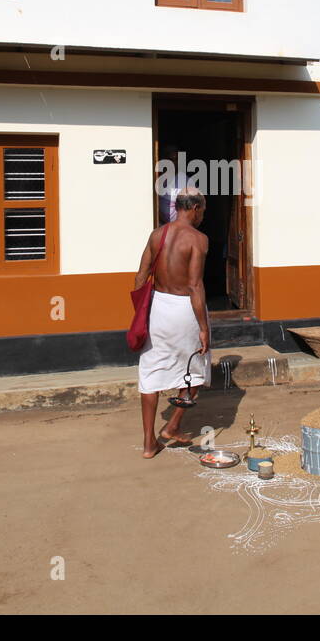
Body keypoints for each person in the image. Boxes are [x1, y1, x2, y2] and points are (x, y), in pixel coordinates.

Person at [132, 190, 211, 459]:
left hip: (157, 306)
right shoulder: (198, 239)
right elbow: (194, 285)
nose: (203, 215)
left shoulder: (157, 234)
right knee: (195, 368)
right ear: (195, 208)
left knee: (151, 373)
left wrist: (141, 313)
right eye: (203, 210)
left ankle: (148, 444)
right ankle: (173, 425)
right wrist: (203, 328)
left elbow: (141, 275)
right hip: (183, 308)